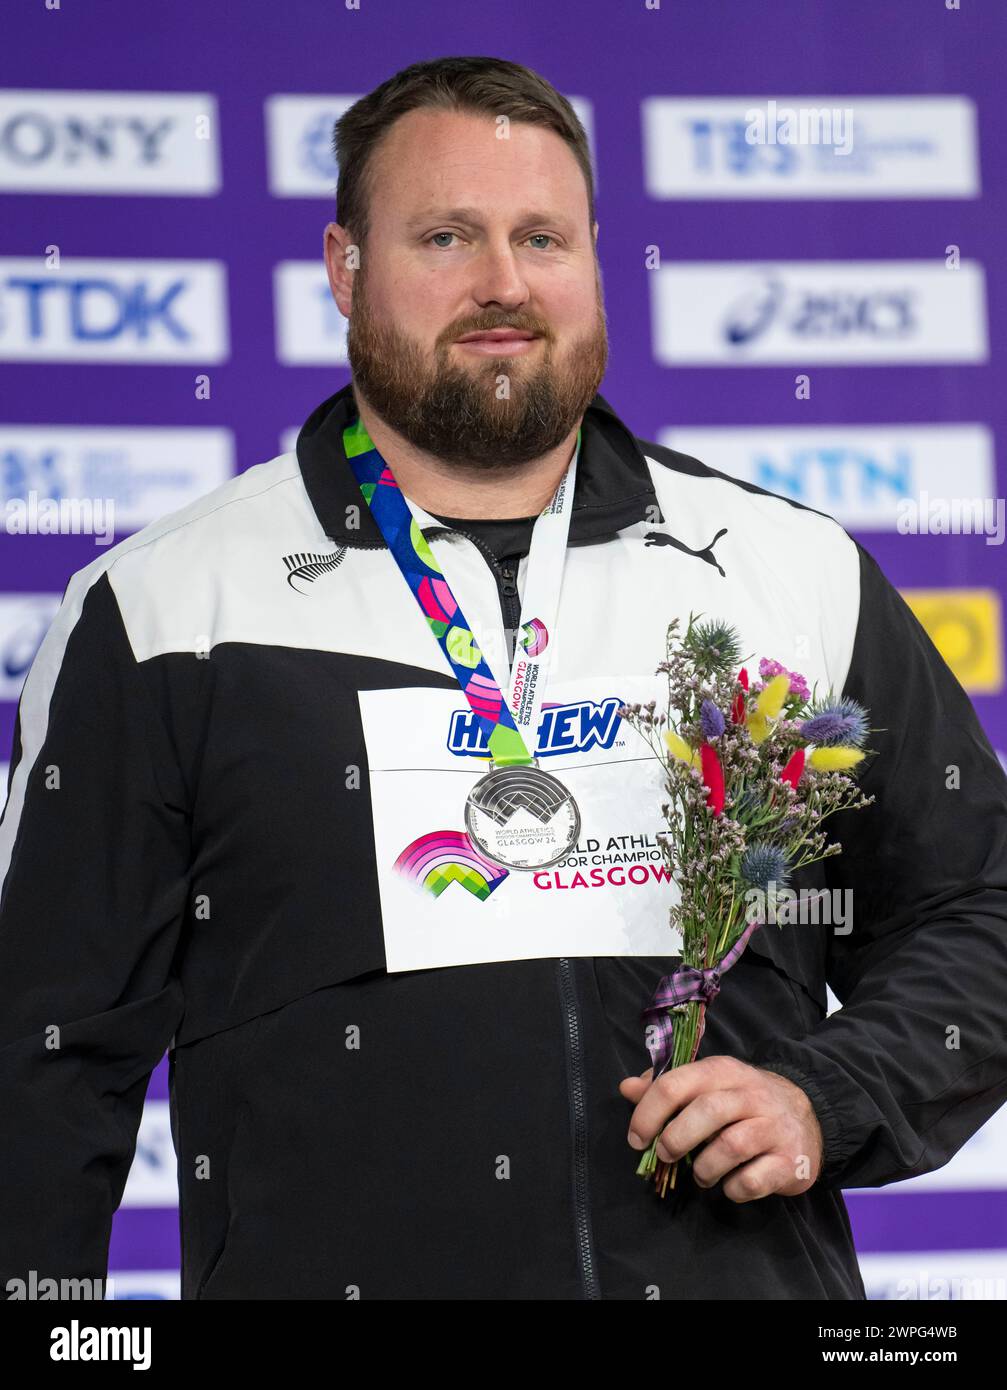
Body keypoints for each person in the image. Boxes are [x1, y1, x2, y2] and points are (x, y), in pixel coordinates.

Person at [2, 55, 1006, 1302]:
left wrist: (828, 1091)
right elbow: (42, 1073)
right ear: (342, 268)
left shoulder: (786, 572)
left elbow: (979, 908)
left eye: (544, 237)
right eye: (445, 236)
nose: (503, 284)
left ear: (593, 262)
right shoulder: (162, 612)